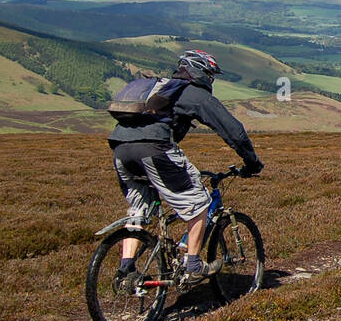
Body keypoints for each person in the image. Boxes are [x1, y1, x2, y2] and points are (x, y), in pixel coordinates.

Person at [109, 50, 264, 288]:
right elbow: (233, 130)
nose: (211, 80)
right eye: (210, 75)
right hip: (155, 148)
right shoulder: (192, 93)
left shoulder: (160, 88)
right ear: (200, 72)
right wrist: (252, 161)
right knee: (200, 202)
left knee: (139, 209)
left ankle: (126, 270)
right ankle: (192, 265)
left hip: (120, 148)